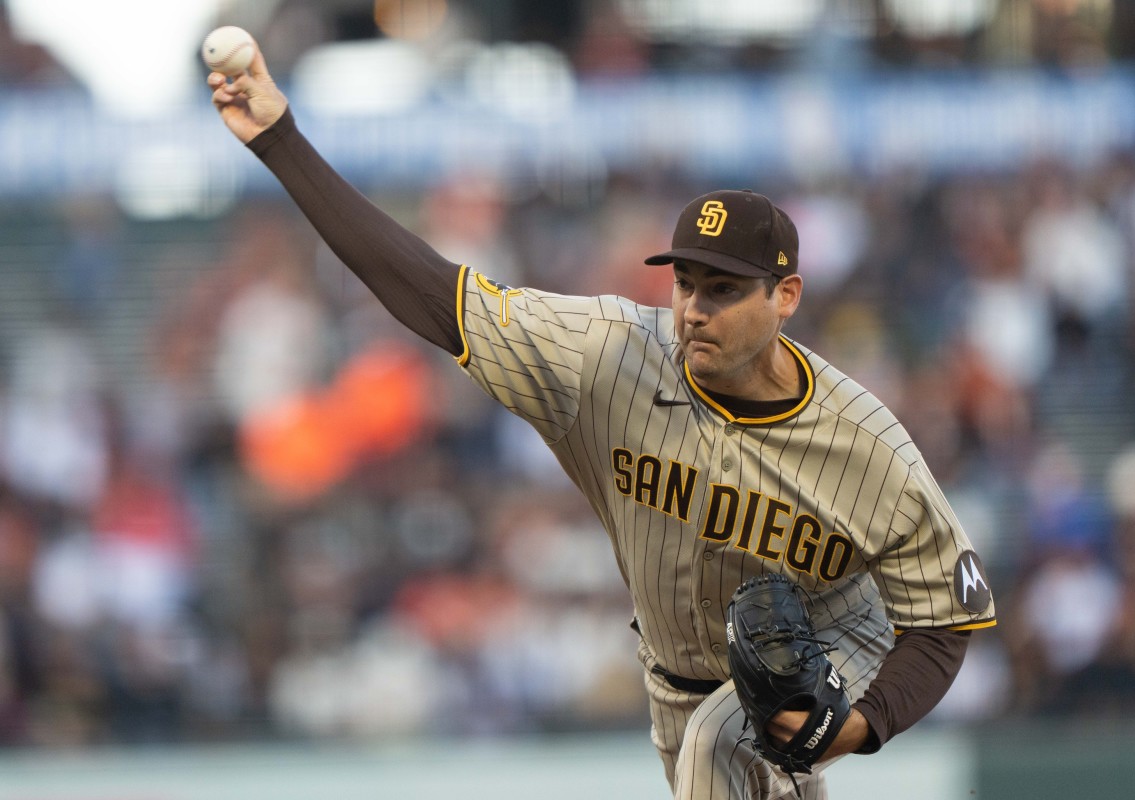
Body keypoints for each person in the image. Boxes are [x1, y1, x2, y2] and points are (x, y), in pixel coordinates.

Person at [207, 43, 997, 800]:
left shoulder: (862, 440)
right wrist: (281, 141)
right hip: (674, 679)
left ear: (785, 298)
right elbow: (432, 294)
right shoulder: (607, 357)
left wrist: (856, 726)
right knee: (710, 740)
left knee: (725, 738)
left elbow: (945, 619)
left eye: (723, 290)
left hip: (834, 642)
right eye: (686, 283)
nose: (693, 309)